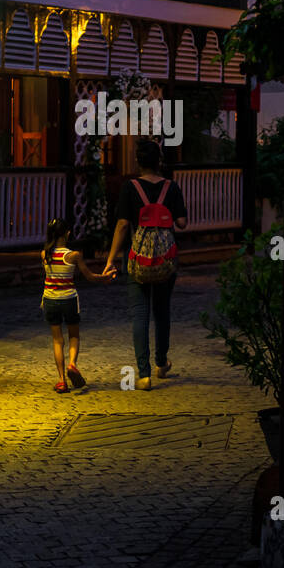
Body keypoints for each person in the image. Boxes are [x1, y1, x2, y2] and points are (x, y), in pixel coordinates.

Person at [102, 139, 188, 391]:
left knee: (139, 314)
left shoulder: (130, 188)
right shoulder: (171, 188)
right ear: (159, 161)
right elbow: (182, 223)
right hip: (165, 260)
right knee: (162, 312)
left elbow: (122, 225)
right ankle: (162, 363)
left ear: (138, 161)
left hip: (137, 259)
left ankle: (144, 375)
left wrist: (110, 260)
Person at [41, 218, 113, 393]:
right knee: (74, 336)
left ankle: (61, 380)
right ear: (67, 234)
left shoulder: (44, 254)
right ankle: (72, 364)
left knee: (57, 340)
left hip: (50, 299)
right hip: (69, 300)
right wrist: (105, 277)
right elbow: (89, 276)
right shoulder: (73, 255)